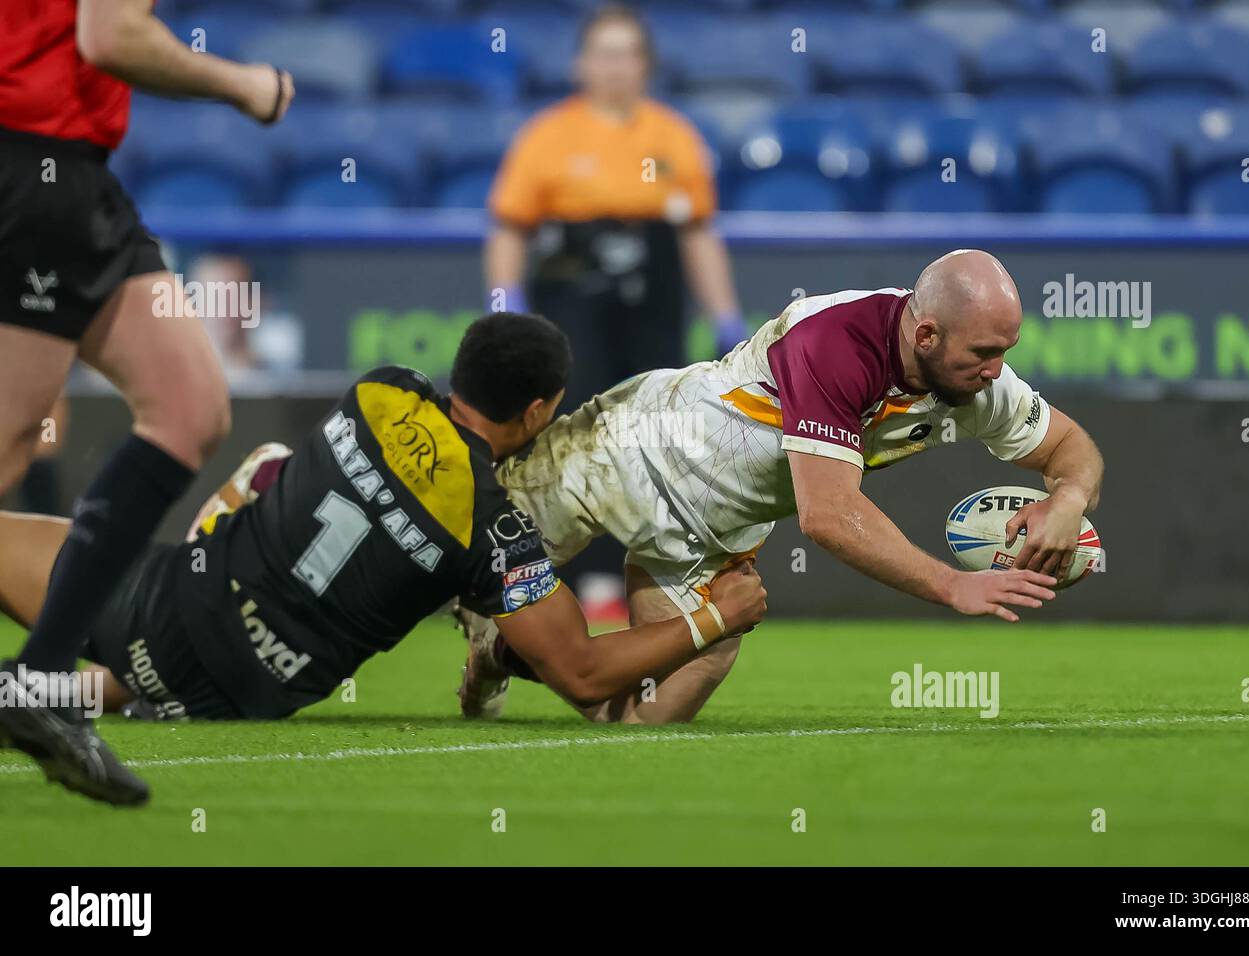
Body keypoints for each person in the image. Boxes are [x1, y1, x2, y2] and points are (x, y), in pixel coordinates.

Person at [0, 314, 769, 800]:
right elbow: (584, 674)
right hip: (235, 690)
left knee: (257, 469)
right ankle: (73, 693)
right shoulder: (493, 531)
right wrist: (712, 615)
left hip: (162, 599)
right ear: (538, 412)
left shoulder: (380, 391)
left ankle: (63, 689)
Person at [456, 250, 1105, 724]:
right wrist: (953, 585)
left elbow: (1072, 449)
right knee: (457, 557)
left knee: (635, 721)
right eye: (984, 354)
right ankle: (487, 626)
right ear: (926, 334)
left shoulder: (977, 378)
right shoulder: (837, 341)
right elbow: (827, 514)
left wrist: (1066, 501)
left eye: (1005, 352)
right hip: (630, 447)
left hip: (709, 533)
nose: (997, 372)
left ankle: (506, 650)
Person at [0, 0, 294, 804]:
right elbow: (112, 35)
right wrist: (244, 85)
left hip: (71, 175)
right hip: (34, 162)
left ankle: (37, 679)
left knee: (189, 405)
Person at [484, 3, 745, 620]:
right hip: (573, 302)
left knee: (655, 433)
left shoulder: (674, 136)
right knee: (577, 433)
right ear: (581, 63)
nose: (614, 67)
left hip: (653, 301)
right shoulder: (547, 136)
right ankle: (576, 580)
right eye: (603, 52)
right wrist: (506, 305)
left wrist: (726, 316)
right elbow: (509, 229)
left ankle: (655, 578)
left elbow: (699, 234)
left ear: (645, 64)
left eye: (627, 53)